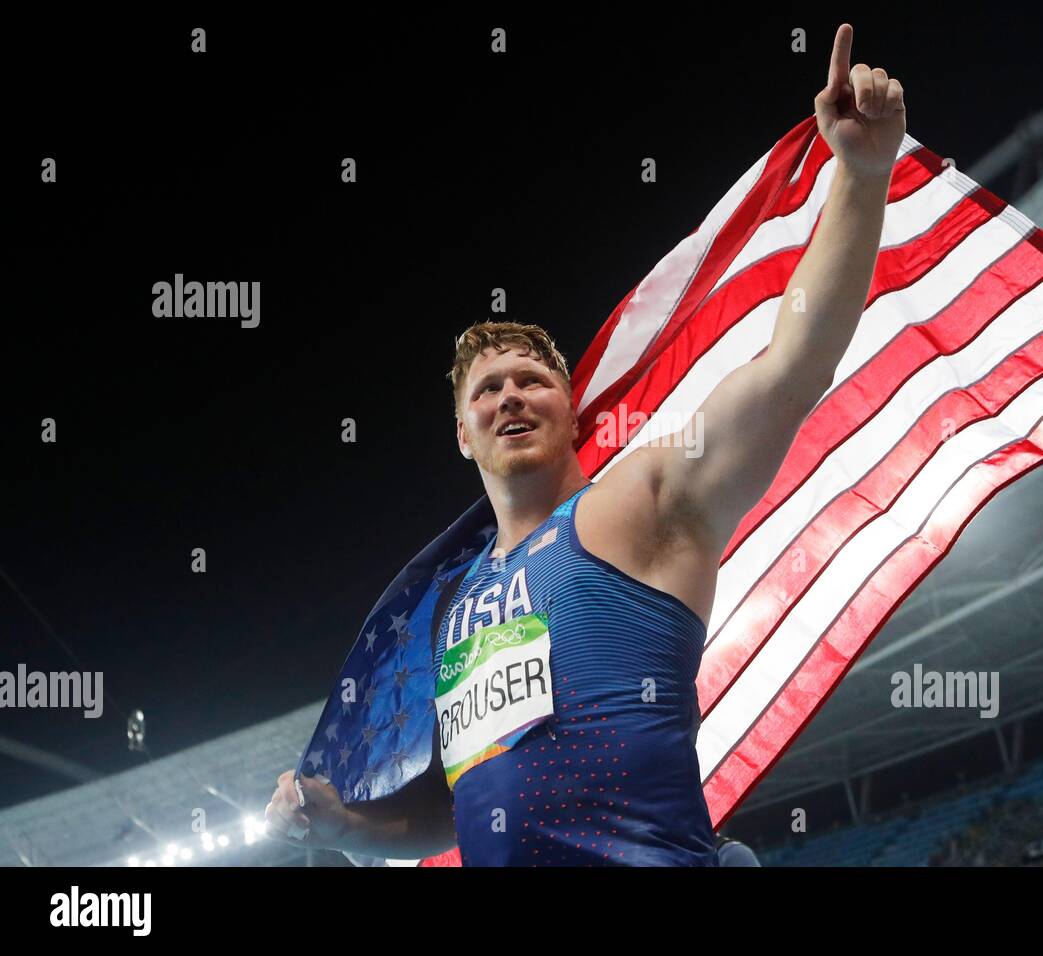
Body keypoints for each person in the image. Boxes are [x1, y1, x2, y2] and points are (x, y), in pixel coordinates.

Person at [265, 22, 905, 866]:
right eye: (485, 391)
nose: (509, 397)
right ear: (464, 435)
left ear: (570, 409)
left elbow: (792, 365)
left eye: (530, 379)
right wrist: (344, 822)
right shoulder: (453, 614)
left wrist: (860, 174)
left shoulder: (639, 503)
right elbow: (462, 802)